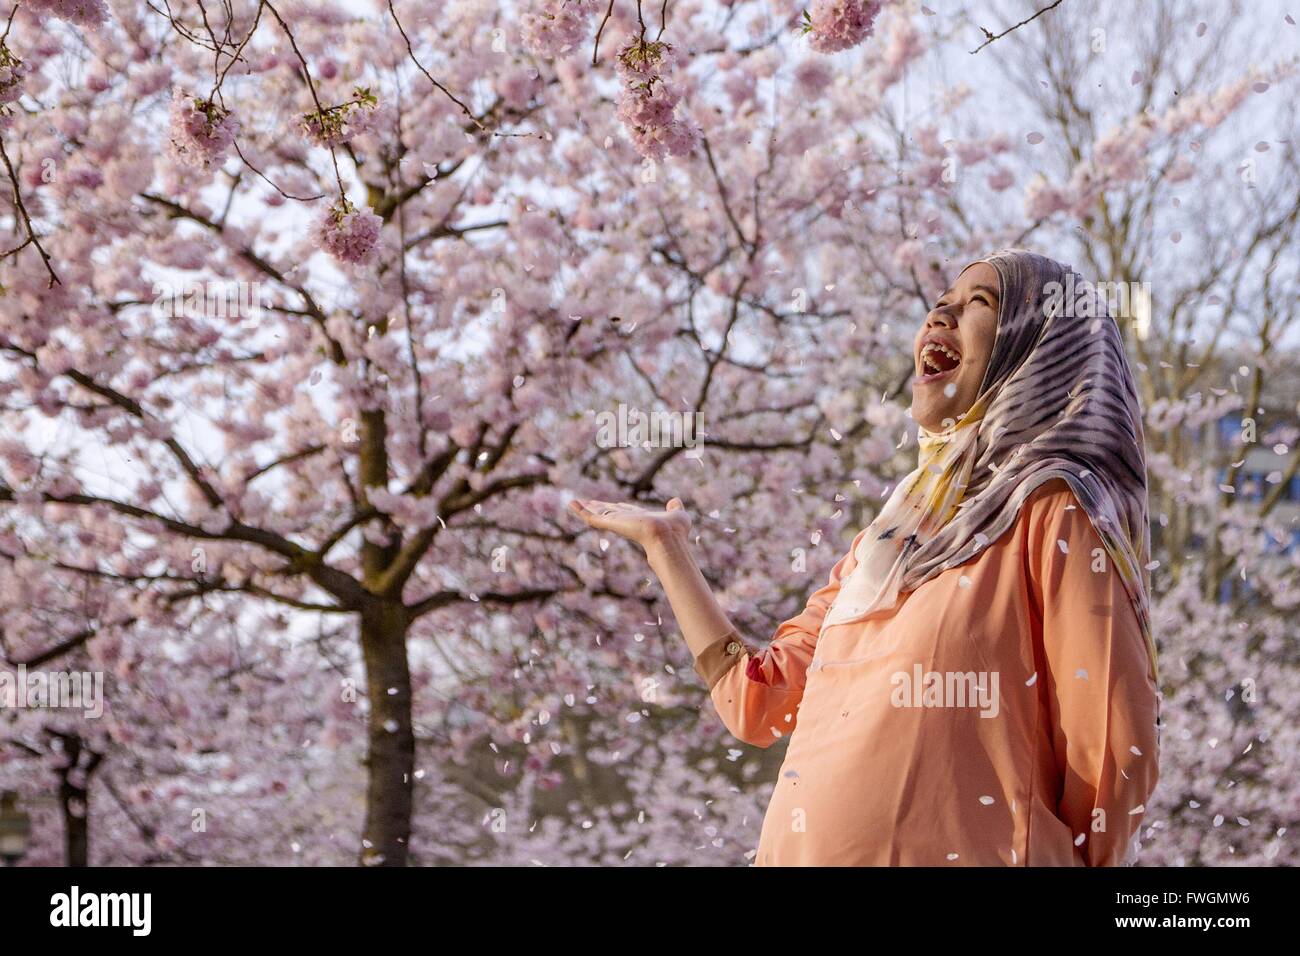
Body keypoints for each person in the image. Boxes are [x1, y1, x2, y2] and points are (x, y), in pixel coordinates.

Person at [567, 247, 1161, 866]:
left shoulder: (1053, 506)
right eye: (939, 305)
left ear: (1040, 345)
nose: (939, 317)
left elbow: (1117, 746)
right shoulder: (887, 540)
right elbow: (758, 703)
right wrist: (668, 550)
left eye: (978, 303)